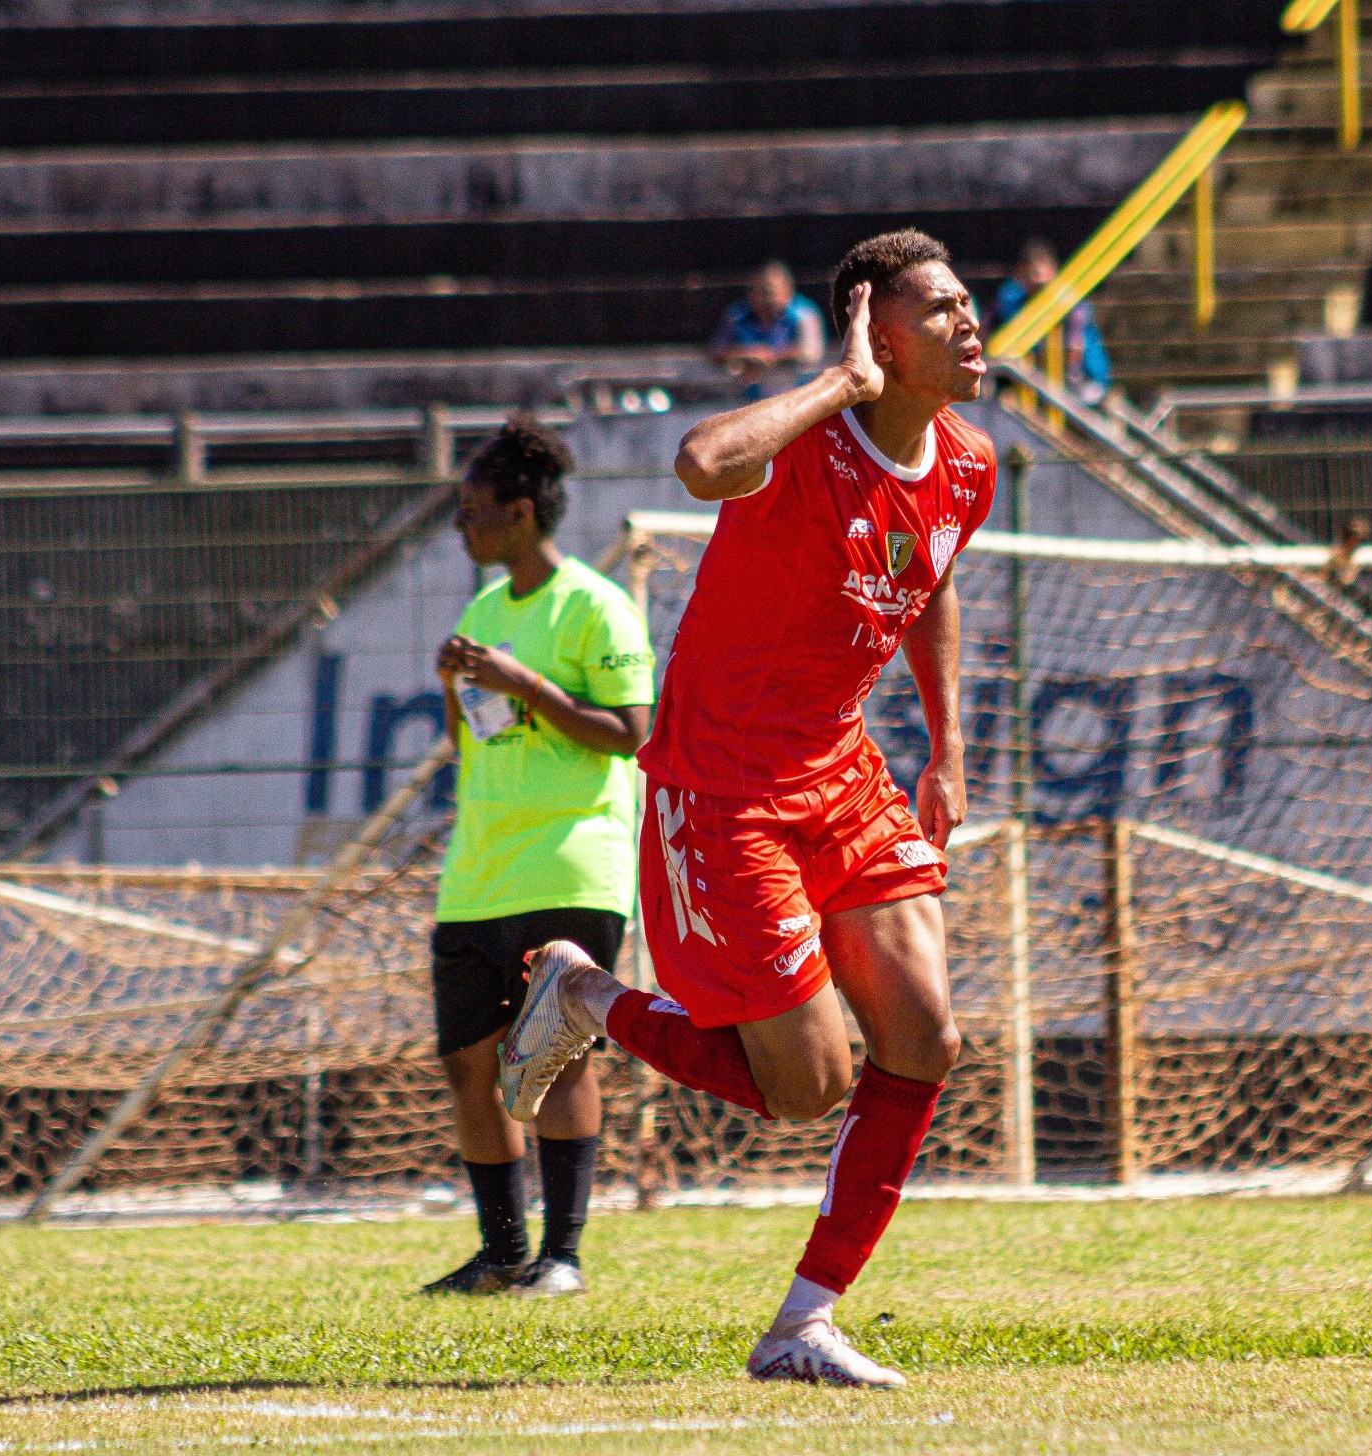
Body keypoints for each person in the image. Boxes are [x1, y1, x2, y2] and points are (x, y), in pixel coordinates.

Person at [496, 229, 993, 1387]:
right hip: (724, 790)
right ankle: (586, 994)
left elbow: (935, 575)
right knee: (805, 1088)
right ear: (878, 330)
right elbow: (701, 459)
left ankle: (802, 1324)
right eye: (941, 308)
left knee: (927, 1035)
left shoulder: (968, 463)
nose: (971, 323)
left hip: (845, 774)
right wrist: (838, 384)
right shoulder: (810, 437)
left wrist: (947, 743)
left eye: (972, 303)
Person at [419, 414, 656, 1296]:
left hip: (570, 863)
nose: (460, 525)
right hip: (478, 873)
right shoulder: (484, 610)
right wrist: (456, 686)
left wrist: (526, 684)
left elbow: (632, 734)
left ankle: (564, 1256)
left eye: (472, 510)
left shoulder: (596, 604)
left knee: (554, 1055)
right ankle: (501, 1252)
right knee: (469, 1063)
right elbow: (470, 744)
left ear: (521, 515)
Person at [986, 238, 1110, 403]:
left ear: (1053, 272)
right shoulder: (1011, 297)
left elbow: (1075, 349)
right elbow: (985, 327)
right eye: (1032, 278)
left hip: (1080, 379)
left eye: (1043, 283)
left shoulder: (1069, 304)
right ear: (1021, 272)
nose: (1038, 289)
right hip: (1029, 381)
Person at [709, 260, 826, 384]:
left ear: (787, 292)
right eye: (759, 293)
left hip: (796, 389)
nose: (766, 300)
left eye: (770, 293)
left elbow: (812, 354)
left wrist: (770, 356)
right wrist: (747, 353)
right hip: (748, 392)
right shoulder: (737, 314)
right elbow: (716, 352)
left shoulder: (805, 313)